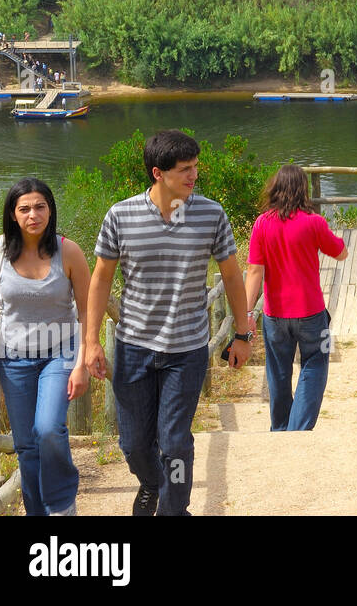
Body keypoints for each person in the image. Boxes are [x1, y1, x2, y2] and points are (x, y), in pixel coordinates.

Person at [82, 130, 253, 516]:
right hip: (132, 348)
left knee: (174, 441)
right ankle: (152, 484)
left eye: (195, 167)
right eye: (184, 170)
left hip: (186, 349)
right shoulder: (120, 216)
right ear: (158, 173)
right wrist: (91, 342)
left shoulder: (212, 214)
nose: (194, 176)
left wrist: (242, 333)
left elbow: (231, 276)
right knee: (133, 444)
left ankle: (173, 509)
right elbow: (100, 279)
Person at [0, 179, 91, 516]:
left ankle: (61, 504)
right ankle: (37, 513)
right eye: (24, 208)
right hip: (14, 357)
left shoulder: (67, 251)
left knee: (47, 429)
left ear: (50, 210)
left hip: (59, 353)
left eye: (40, 206)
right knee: (26, 445)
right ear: (13, 214)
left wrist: (83, 361)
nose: (33, 214)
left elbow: (87, 309)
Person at [244, 164, 347, 431]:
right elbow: (340, 253)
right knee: (316, 365)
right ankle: (298, 429)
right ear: (304, 190)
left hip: (274, 315)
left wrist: (246, 315)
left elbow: (254, 271)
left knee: (277, 373)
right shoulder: (314, 222)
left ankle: (280, 428)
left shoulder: (262, 224)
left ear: (275, 189)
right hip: (312, 313)